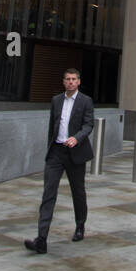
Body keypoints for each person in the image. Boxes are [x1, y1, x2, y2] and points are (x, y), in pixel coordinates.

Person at [25, 68, 95, 254]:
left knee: (78, 192)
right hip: (56, 152)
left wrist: (77, 138)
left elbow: (89, 124)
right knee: (48, 193)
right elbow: (52, 125)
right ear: (64, 82)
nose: (71, 82)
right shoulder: (56, 100)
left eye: (74, 79)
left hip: (75, 152)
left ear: (79, 82)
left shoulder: (85, 101)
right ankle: (42, 239)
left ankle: (80, 226)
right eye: (68, 79)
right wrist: (50, 148)